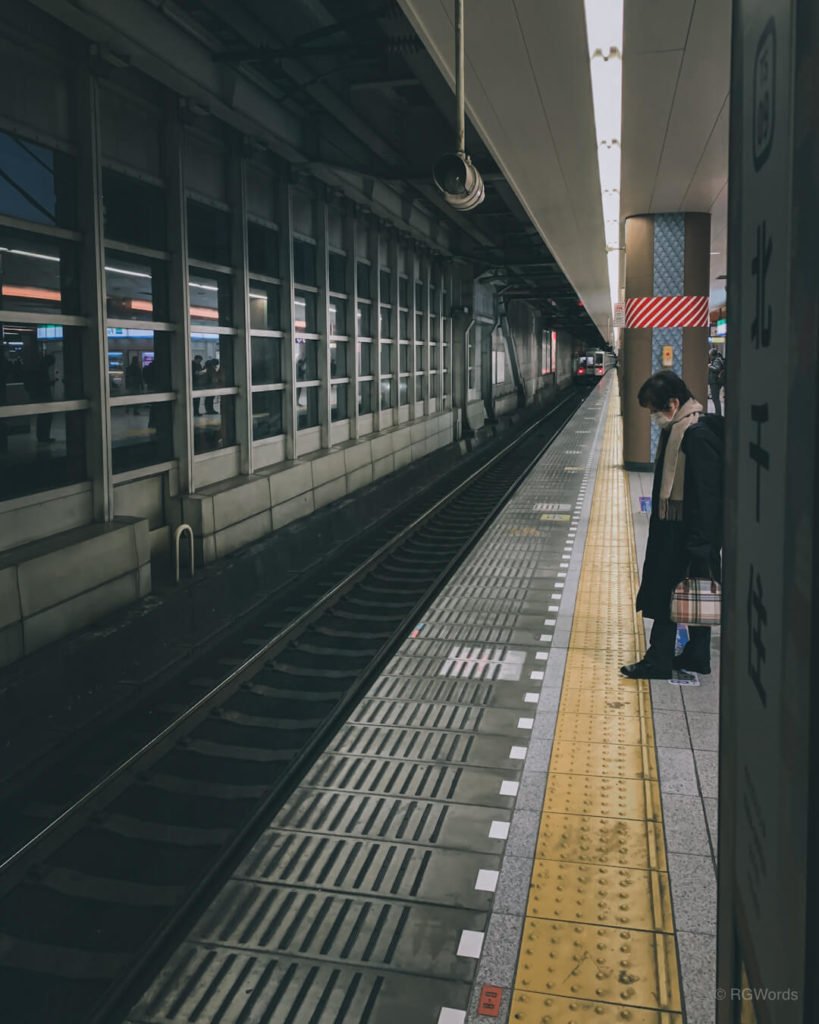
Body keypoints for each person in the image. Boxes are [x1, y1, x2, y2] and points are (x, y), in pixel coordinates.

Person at [621, 370, 723, 679]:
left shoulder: (695, 436)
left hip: (687, 535)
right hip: (682, 532)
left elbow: (708, 494)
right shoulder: (681, 429)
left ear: (673, 403)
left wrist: (699, 544)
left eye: (655, 410)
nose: (654, 417)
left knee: (668, 595)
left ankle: (658, 661)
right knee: (692, 594)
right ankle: (697, 655)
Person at [707, 348, 724, 416]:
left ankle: (718, 414)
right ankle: (718, 413)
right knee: (715, 398)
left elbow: (717, 369)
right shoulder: (716, 360)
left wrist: (709, 366)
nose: (710, 357)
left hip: (715, 382)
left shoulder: (717, 360)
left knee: (715, 399)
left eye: (710, 355)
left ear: (712, 355)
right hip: (715, 381)